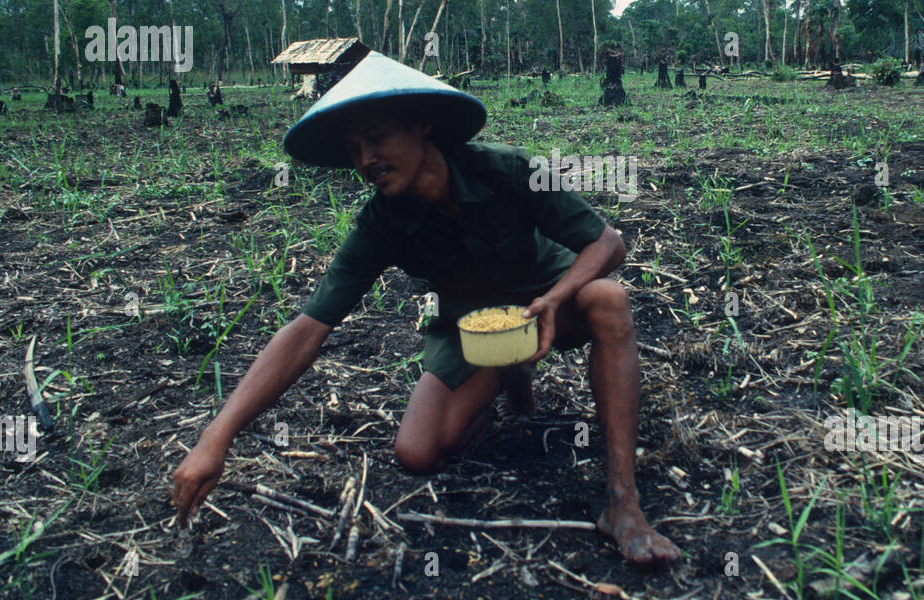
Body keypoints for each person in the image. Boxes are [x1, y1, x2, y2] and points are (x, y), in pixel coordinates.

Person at [171, 52, 678, 565]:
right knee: (417, 453)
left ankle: (622, 503)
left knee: (609, 300)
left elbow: (607, 245)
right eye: (354, 149)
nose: (365, 159)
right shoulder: (380, 224)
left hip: (548, 302)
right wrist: (217, 437)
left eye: (377, 137)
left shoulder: (507, 169)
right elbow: (308, 328)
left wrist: (553, 298)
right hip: (470, 329)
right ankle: (508, 375)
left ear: (423, 125)